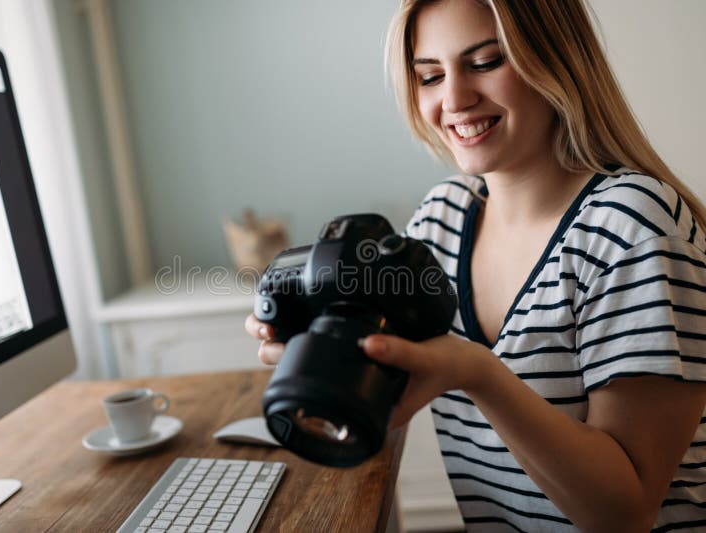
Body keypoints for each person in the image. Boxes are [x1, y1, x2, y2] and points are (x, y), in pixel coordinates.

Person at [246, 0, 706, 530]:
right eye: (430, 76)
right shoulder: (441, 219)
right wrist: (319, 337)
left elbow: (625, 513)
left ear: (556, 62)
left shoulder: (633, 226)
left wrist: (478, 373)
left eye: (486, 63)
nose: (455, 99)